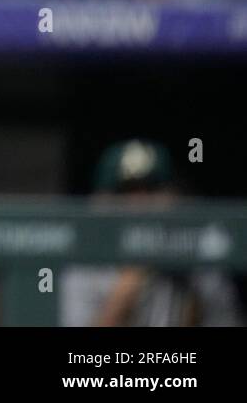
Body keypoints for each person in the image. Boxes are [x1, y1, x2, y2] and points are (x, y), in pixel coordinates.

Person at [60, 139, 244, 327]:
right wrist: (126, 291)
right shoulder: (85, 264)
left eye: (151, 189)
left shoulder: (199, 263)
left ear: (174, 196)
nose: (140, 203)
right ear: (101, 202)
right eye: (126, 191)